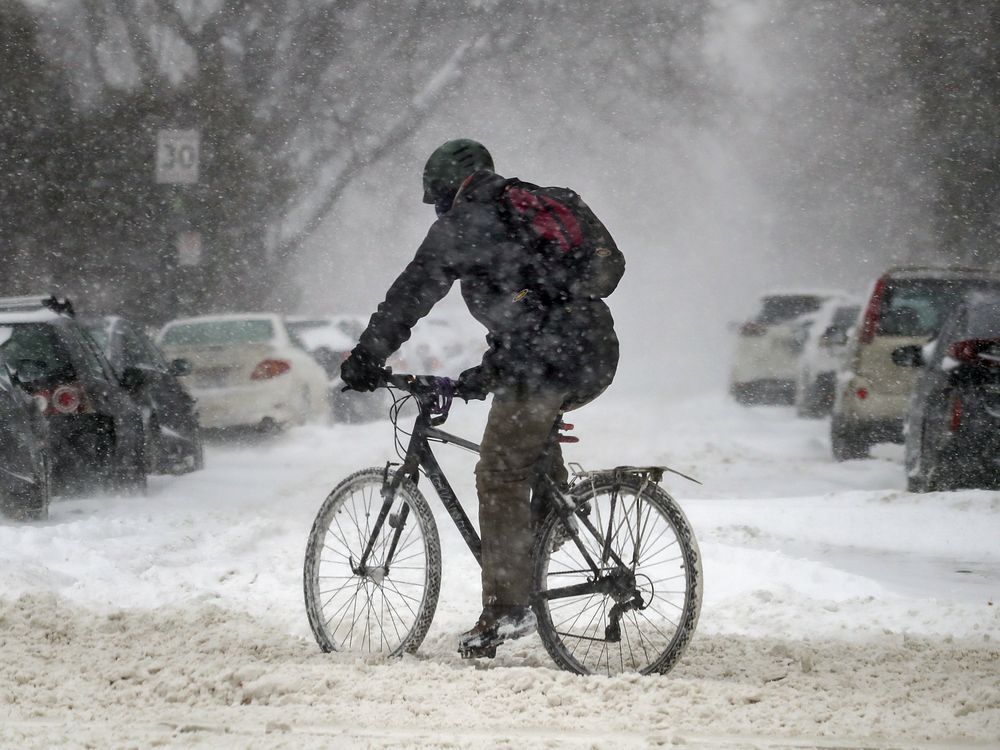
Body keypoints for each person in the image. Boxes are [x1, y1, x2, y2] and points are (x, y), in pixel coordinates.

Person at [340, 138, 621, 654]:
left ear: (447, 190)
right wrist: (488, 371)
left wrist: (366, 355)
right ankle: (548, 526)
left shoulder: (463, 225)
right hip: (589, 348)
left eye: (437, 199)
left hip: (548, 357)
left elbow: (411, 294)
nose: (439, 209)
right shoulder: (525, 207)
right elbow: (531, 304)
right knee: (523, 448)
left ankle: (508, 610)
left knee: (498, 472)